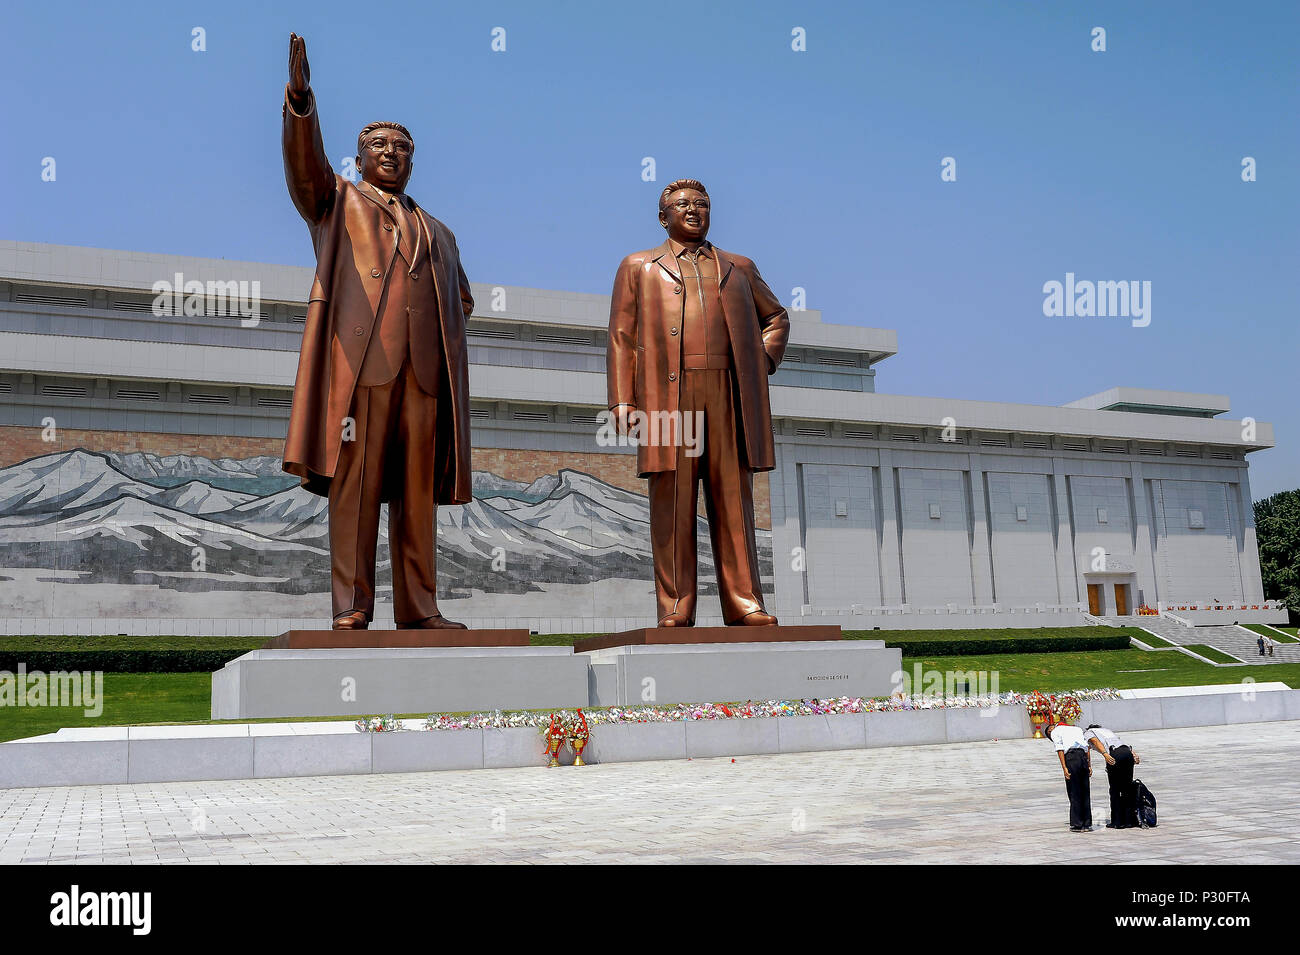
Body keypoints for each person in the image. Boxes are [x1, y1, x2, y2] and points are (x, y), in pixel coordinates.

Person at [279, 34, 475, 631]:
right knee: (357, 487)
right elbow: (303, 168)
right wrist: (300, 102)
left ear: (413, 161)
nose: (390, 153)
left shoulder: (438, 230)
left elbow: (461, 297)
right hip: (362, 367)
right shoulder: (336, 202)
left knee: (417, 495)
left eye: (401, 148)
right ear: (358, 157)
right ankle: (352, 606)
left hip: (423, 376)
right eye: (378, 145)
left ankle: (419, 608)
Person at [606, 179, 790, 627]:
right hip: (669, 397)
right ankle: (675, 606)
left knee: (734, 502)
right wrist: (622, 401)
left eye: (702, 204)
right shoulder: (638, 266)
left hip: (728, 394)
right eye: (683, 204)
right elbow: (622, 336)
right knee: (672, 503)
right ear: (662, 215)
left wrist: (760, 360)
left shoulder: (739, 268)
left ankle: (745, 603)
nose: (694, 210)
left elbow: (776, 316)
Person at [1084, 724, 1140, 829]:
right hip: (1127, 752)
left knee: (1115, 789)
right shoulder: (1107, 731)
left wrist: (1105, 754)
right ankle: (1129, 820)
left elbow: (1095, 742)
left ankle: (1117, 821)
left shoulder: (1088, 732)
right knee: (1127, 788)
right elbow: (1122, 744)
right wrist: (1134, 755)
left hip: (1114, 754)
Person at [1046, 721, 1093, 831]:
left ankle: (1077, 824)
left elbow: (1060, 749)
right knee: (1085, 791)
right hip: (1082, 757)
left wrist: (1064, 768)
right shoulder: (1077, 729)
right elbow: (1087, 747)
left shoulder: (1055, 731)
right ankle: (1087, 823)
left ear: (1050, 730)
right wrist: (1089, 765)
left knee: (1074, 790)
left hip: (1072, 758)